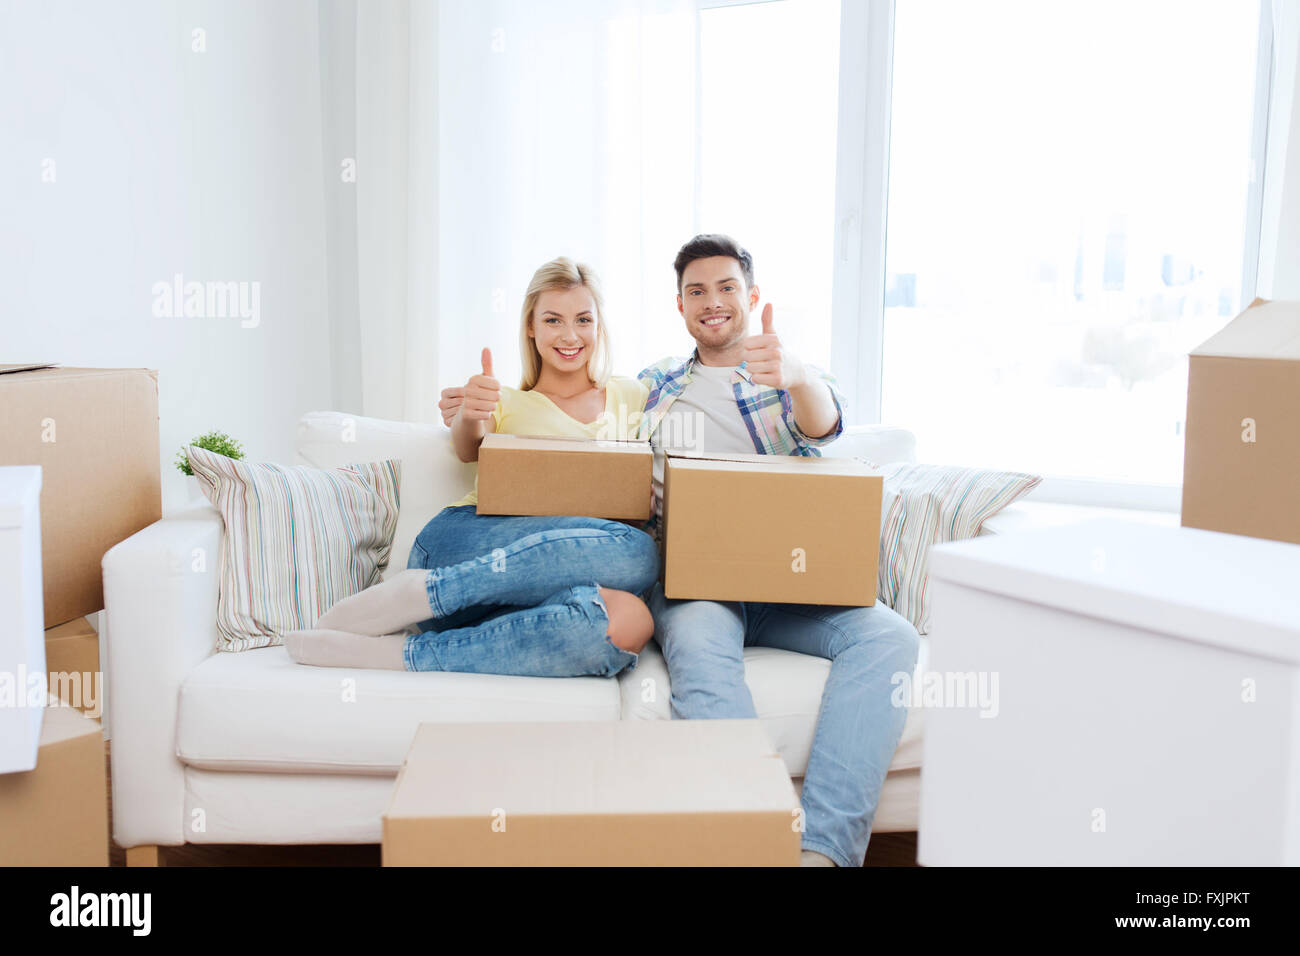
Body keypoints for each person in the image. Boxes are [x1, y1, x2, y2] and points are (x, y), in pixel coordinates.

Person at [442, 234, 919, 868]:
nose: (712, 302)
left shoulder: (788, 374)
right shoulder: (652, 386)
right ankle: (756, 841)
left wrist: (798, 375)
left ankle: (824, 854)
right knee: (698, 651)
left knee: (891, 637)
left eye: (727, 288)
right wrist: (469, 413)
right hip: (697, 580)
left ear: (751, 297)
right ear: (680, 306)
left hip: (795, 584)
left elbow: (824, 421)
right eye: (697, 291)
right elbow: (567, 422)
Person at [284, 257, 659, 677]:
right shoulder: (503, 400)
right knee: (639, 553)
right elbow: (468, 444)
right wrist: (469, 411)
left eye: (583, 320)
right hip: (463, 546)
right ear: (531, 327)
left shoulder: (631, 395)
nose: (570, 335)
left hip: (530, 592)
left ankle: (402, 655)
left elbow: (693, 382)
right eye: (553, 320)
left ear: (598, 326)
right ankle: (424, 592)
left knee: (628, 621)